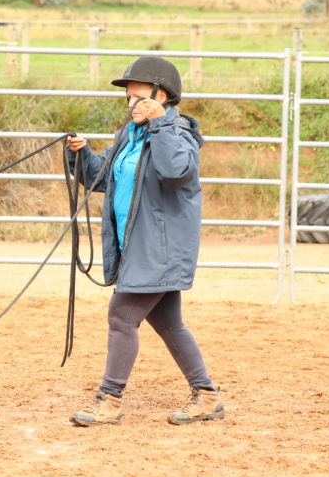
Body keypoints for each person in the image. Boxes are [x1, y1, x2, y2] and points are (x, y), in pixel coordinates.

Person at [65, 56, 223, 427]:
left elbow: (175, 172)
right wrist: (83, 155)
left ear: (161, 96)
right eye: (128, 99)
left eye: (138, 98)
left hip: (159, 250)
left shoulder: (178, 133)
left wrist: (161, 125)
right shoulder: (129, 136)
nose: (131, 105)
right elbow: (104, 178)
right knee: (169, 323)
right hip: (137, 246)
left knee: (121, 316)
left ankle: (110, 399)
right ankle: (208, 395)